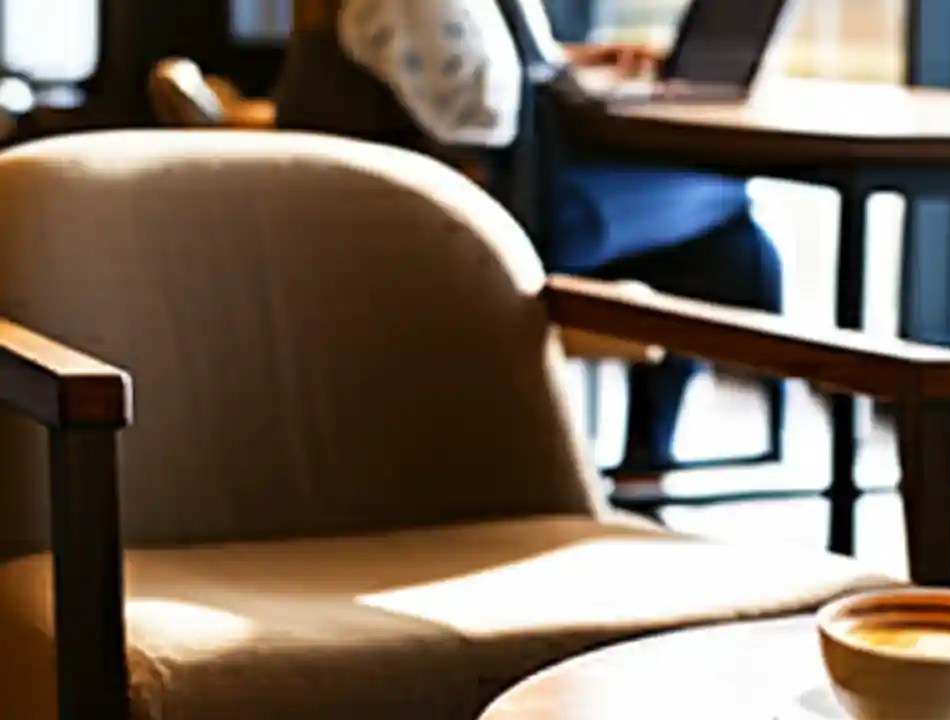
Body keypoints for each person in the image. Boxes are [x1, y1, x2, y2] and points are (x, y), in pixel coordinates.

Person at [282, 0, 783, 482]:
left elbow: (457, 61)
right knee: (721, 202)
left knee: (704, 216)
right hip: (486, 217)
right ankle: (664, 452)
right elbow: (475, 113)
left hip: (482, 199)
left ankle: (656, 455)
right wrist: (557, 82)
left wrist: (571, 63)